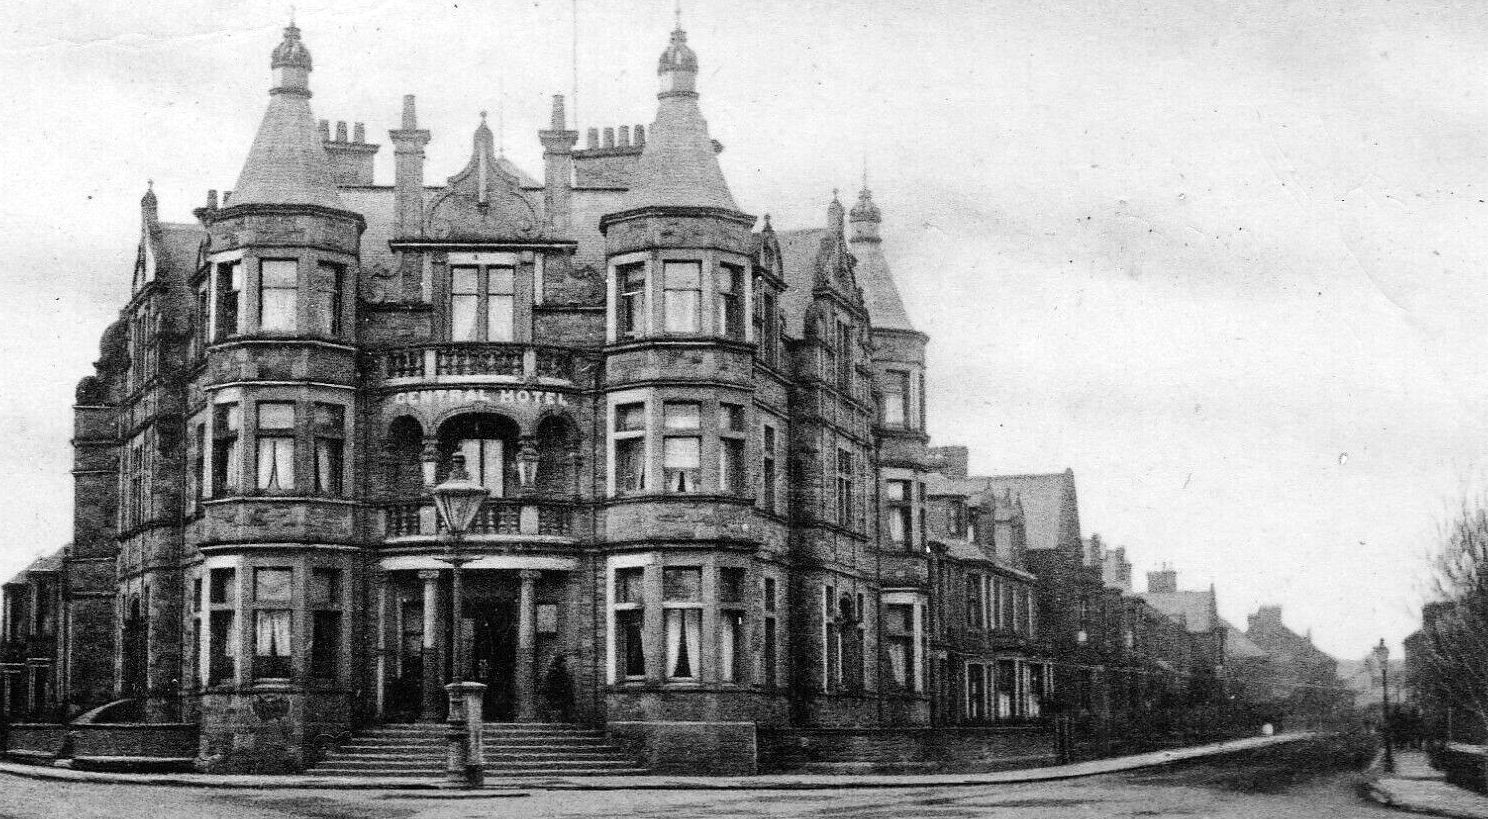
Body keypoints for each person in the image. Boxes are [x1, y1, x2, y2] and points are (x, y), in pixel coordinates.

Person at [543, 653, 575, 722]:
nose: (564, 663)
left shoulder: (560, 671)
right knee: (556, 707)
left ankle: (559, 719)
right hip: (556, 693)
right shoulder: (554, 671)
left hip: (559, 694)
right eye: (563, 661)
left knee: (560, 707)